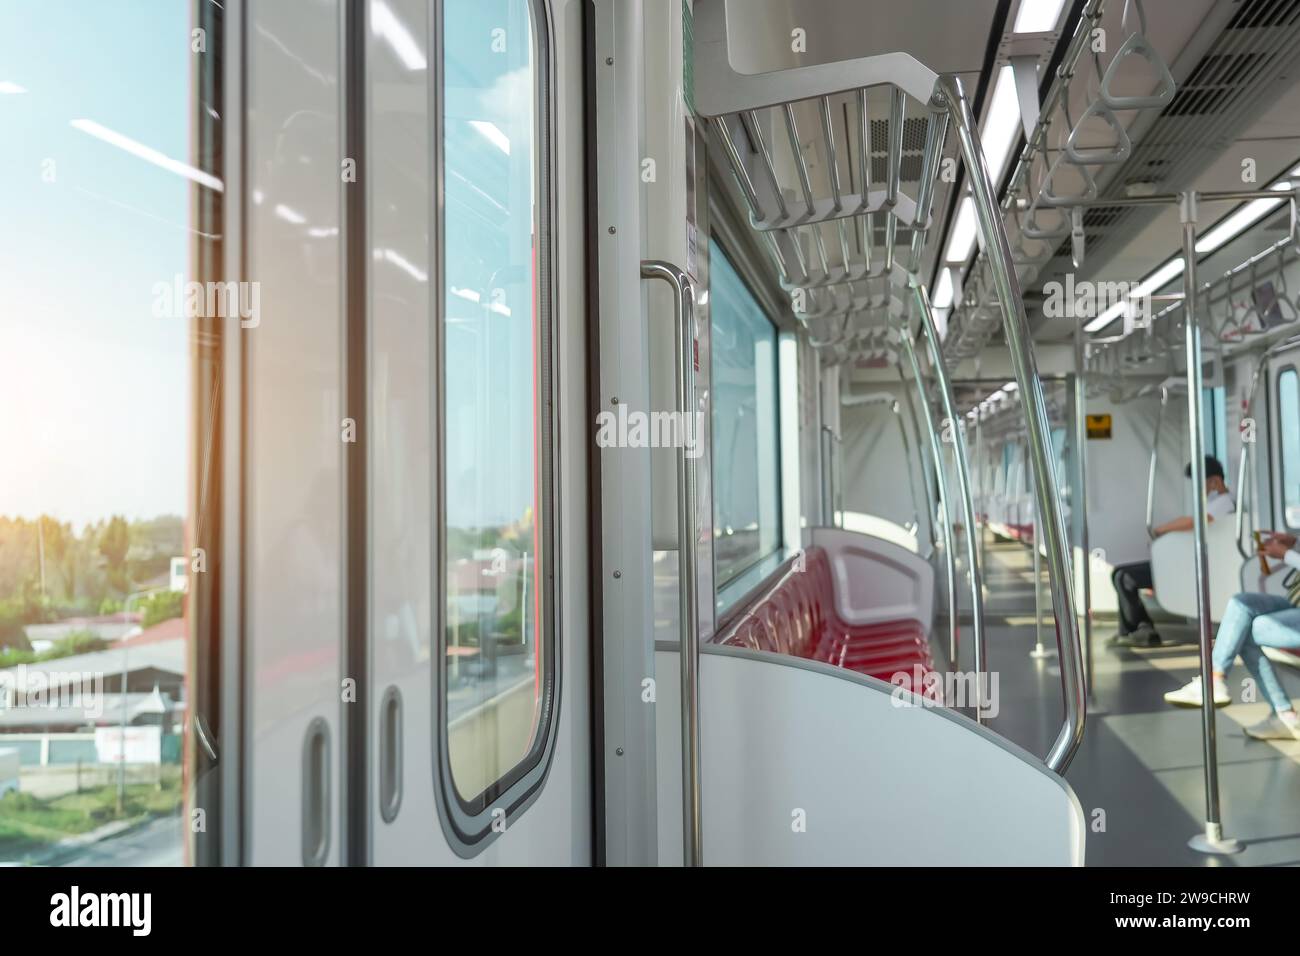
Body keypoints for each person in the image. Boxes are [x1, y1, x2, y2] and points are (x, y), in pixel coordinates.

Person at [1164, 532, 1300, 739]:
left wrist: (1287, 554)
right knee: (1241, 603)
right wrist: (1294, 543)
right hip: (1295, 601)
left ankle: (1283, 714)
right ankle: (1216, 681)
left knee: (1246, 629)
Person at [1109, 455, 1236, 647]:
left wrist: (1161, 530)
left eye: (1201, 483)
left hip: (1193, 568)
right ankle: (1133, 630)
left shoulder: (1224, 502)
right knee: (1119, 574)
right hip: (1185, 561)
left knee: (1125, 577)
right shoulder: (1214, 502)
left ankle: (1141, 629)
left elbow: (1194, 522)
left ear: (1215, 481)